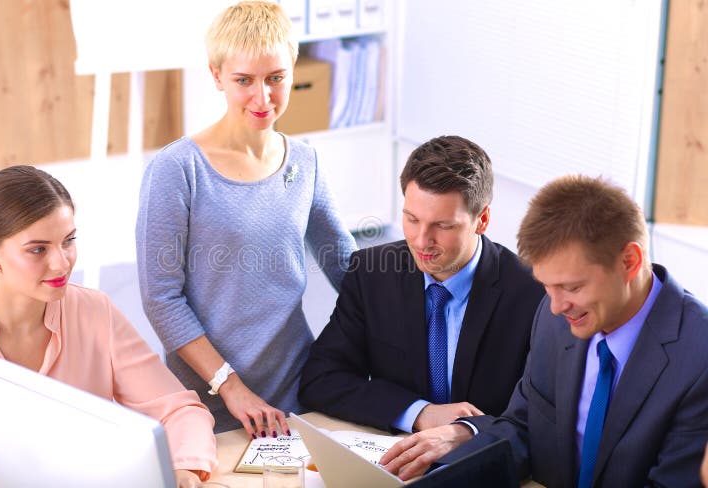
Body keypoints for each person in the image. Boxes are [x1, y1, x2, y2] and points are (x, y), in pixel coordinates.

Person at [381, 175, 708, 487]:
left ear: (629, 261)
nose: (555, 307)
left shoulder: (699, 357)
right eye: (547, 287)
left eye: (572, 287)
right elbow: (524, 428)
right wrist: (457, 446)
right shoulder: (558, 317)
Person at [0, 166, 217, 487]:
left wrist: (185, 467)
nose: (61, 263)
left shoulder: (94, 312)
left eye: (68, 241)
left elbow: (179, 410)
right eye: (38, 249)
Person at [135, 1, 356, 436]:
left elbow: (344, 263)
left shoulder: (306, 162)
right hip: (211, 400)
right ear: (217, 76)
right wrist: (230, 387)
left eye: (276, 78)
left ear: (292, 67)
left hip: (296, 389)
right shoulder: (178, 170)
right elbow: (161, 299)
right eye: (244, 81)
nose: (263, 97)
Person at [298, 135, 545, 433]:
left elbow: (542, 415)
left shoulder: (533, 294)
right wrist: (418, 413)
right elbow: (321, 379)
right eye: (412, 219)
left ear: (482, 220)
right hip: (394, 457)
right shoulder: (372, 274)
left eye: (442, 225)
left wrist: (471, 432)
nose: (421, 241)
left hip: (485, 460)